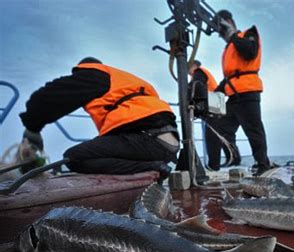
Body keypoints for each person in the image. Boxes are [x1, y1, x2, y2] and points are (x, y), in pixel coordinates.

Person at [20, 57, 179, 178]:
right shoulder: (127, 84)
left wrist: (32, 127)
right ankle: (155, 165)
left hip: (149, 141)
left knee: (74, 158)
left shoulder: (95, 74)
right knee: (93, 150)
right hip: (168, 146)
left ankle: (152, 167)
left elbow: (45, 98)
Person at [214, 9, 271, 176]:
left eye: (222, 31)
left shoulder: (248, 34)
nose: (221, 36)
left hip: (248, 93)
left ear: (229, 23)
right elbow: (229, 77)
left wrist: (232, 35)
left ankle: (263, 164)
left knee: (253, 129)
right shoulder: (231, 46)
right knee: (222, 129)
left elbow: (250, 52)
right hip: (233, 96)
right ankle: (234, 159)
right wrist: (214, 93)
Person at [188, 60, 240, 171]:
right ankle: (234, 160)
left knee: (212, 137)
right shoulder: (202, 73)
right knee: (222, 134)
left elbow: (195, 86)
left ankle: (214, 165)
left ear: (195, 66)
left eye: (189, 67)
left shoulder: (199, 72)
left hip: (211, 108)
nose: (188, 71)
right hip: (216, 107)